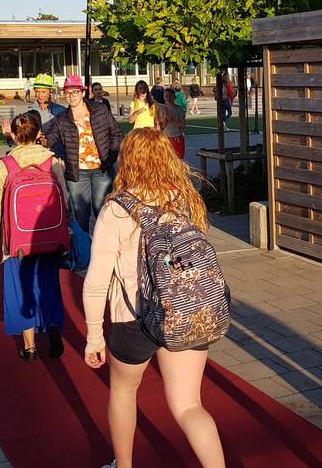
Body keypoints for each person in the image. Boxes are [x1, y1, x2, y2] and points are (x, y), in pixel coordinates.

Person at [83, 128, 225, 468]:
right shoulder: (185, 199)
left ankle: (125, 465)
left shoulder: (117, 209)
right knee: (190, 405)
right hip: (184, 308)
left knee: (123, 391)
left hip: (133, 315)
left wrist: (93, 336)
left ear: (127, 160)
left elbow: (96, 281)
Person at [0, 112, 67, 361]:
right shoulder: (51, 162)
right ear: (39, 133)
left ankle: (30, 347)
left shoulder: (5, 165)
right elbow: (64, 198)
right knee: (49, 286)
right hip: (50, 235)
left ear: (13, 135)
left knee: (21, 290)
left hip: (17, 240)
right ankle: (53, 328)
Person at [42, 75, 122, 233]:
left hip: (102, 170)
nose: (71, 96)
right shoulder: (62, 119)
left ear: (83, 93)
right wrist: (36, 138)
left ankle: (105, 249)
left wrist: (111, 157)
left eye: (75, 92)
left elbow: (116, 134)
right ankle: (83, 248)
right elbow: (49, 140)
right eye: (68, 93)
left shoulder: (100, 110)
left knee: (102, 212)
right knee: (81, 216)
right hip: (77, 172)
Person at [1, 74, 66, 147]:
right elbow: (22, 140)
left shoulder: (61, 111)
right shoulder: (29, 114)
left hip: (57, 155)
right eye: (37, 91)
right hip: (36, 155)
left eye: (43, 92)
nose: (40, 95)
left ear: (50, 91)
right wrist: (9, 136)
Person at [159, 88, 187, 159]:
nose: (168, 98)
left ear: (174, 97)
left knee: (178, 159)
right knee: (166, 159)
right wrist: (164, 119)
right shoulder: (161, 109)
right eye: (166, 96)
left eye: (170, 96)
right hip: (165, 138)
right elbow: (160, 126)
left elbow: (183, 125)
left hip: (177, 137)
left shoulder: (179, 109)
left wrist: (171, 121)